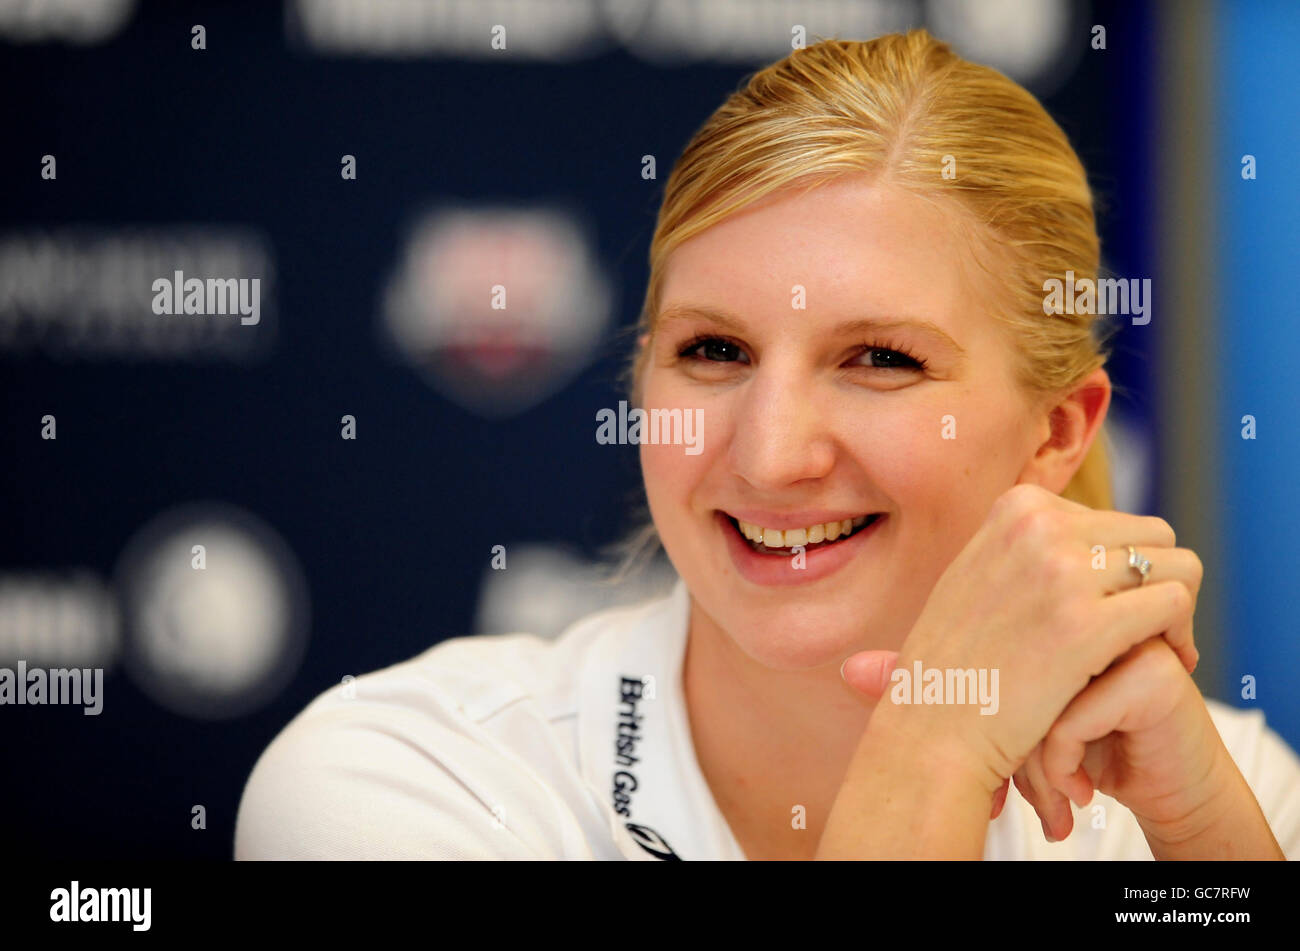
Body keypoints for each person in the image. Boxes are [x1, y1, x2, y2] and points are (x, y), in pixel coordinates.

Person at [234, 30, 1300, 860]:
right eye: (713, 350)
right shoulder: (410, 779)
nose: (772, 453)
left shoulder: (1221, 792)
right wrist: (930, 750)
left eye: (879, 359)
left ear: (1054, 433)